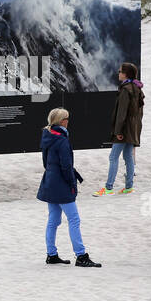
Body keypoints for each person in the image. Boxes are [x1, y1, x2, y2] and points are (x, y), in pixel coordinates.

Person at [38, 107, 100, 267]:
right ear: (61, 121)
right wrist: (72, 183)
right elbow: (66, 166)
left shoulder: (48, 136)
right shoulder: (62, 140)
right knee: (74, 219)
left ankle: (51, 254)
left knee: (53, 220)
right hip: (60, 184)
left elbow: (45, 162)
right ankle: (81, 255)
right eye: (66, 119)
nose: (68, 122)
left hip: (50, 182)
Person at [95, 62, 144, 196]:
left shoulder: (125, 90)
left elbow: (121, 113)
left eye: (120, 71)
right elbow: (139, 113)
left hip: (124, 129)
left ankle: (108, 188)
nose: (118, 73)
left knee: (113, 157)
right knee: (128, 157)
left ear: (126, 74)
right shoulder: (137, 88)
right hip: (133, 128)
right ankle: (129, 187)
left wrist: (118, 131)